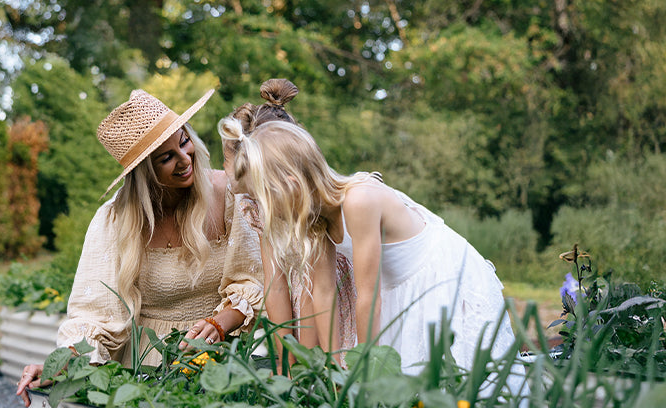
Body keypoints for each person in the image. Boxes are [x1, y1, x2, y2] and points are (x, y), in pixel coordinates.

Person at [16, 89, 264, 405]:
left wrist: (218, 324)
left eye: (184, 142)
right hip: (143, 372)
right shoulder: (115, 220)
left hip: (221, 361)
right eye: (166, 158)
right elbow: (95, 316)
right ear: (144, 172)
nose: (185, 159)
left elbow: (253, 279)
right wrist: (60, 365)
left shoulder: (227, 194)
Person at [218, 115, 516, 372]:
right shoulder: (317, 219)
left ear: (290, 186)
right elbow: (324, 293)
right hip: (397, 288)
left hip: (440, 279)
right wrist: (334, 367)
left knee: (460, 380)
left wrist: (363, 369)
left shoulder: (358, 200)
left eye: (263, 198)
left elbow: (368, 297)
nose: (262, 208)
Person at [221, 79, 358, 357]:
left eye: (226, 158)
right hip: (301, 287)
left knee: (321, 360)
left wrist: (303, 363)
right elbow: (274, 285)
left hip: (325, 297)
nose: (222, 167)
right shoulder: (254, 204)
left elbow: (317, 290)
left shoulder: (302, 202)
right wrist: (285, 361)